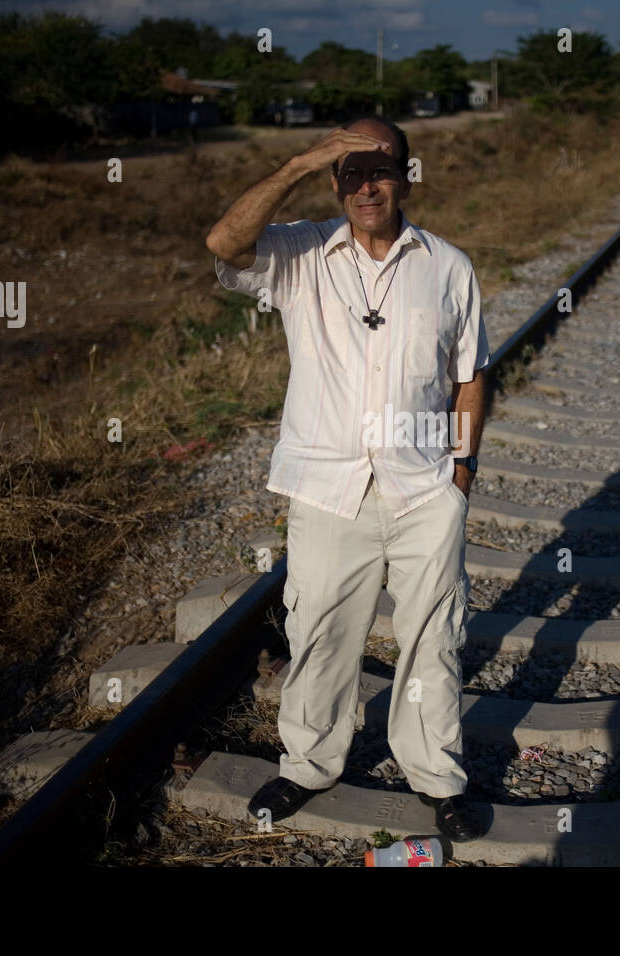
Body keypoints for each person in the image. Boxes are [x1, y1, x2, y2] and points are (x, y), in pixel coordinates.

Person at [205, 116, 491, 842]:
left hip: (425, 487)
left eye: (383, 170)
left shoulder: (448, 265)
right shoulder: (300, 253)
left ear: (407, 176)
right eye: (352, 172)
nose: (369, 186)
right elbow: (223, 243)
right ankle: (307, 765)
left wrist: (461, 475)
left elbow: (470, 376)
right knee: (322, 632)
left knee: (433, 638)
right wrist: (300, 159)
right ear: (335, 181)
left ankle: (437, 777)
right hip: (329, 488)